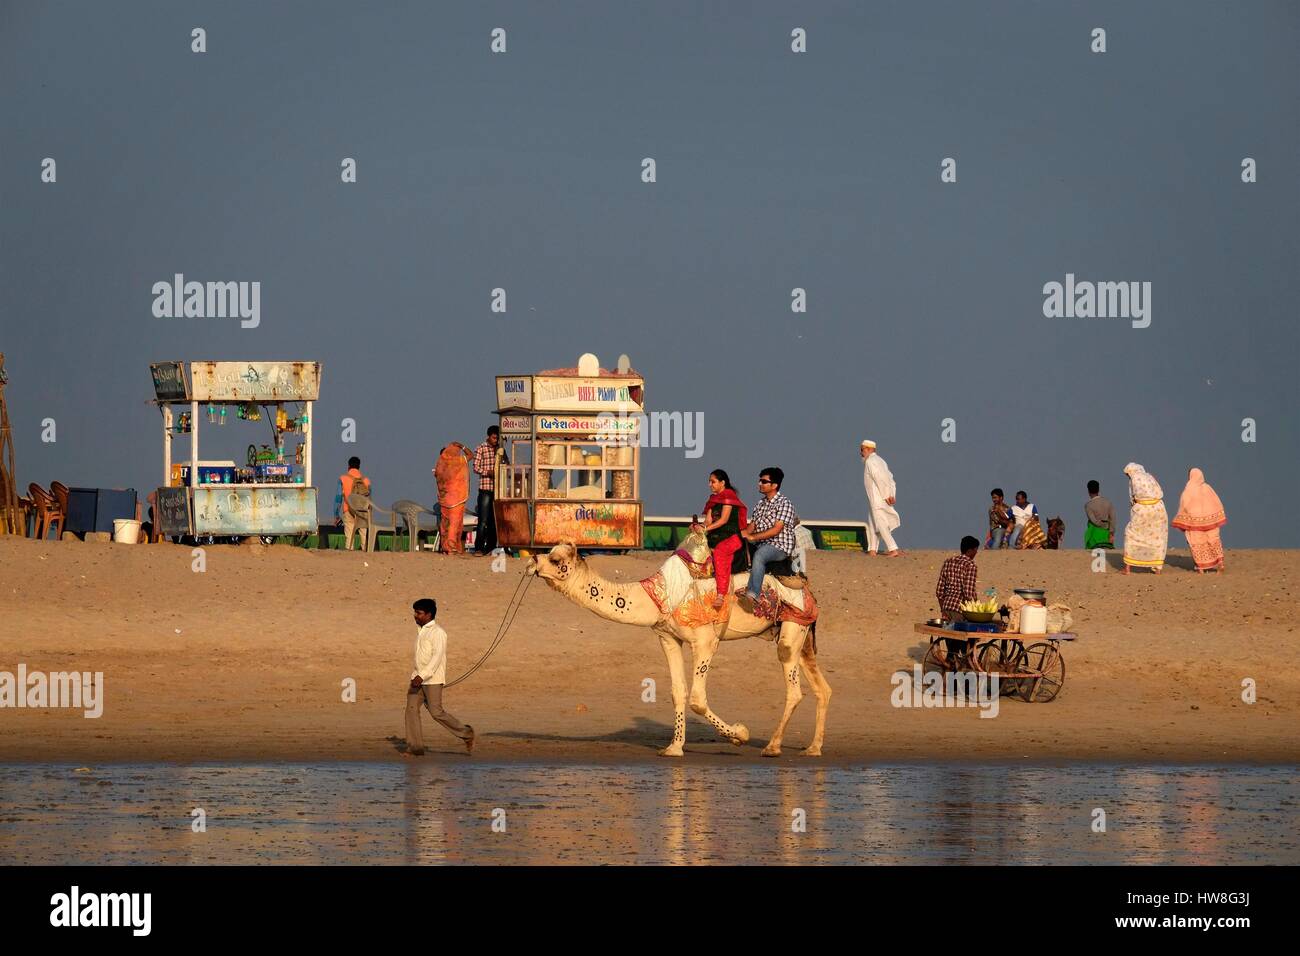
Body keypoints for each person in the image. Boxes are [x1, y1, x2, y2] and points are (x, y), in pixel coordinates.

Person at [404, 598, 475, 756]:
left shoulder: (438, 632)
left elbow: (436, 658)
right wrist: (417, 676)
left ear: (429, 614)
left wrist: (422, 676)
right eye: (415, 612)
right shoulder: (421, 631)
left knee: (436, 712)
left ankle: (466, 733)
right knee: (411, 710)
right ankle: (415, 748)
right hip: (417, 679)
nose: (415, 616)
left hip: (432, 680)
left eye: (419, 613)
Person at [737, 467, 799, 613]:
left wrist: (752, 537)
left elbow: (777, 529)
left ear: (774, 485)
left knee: (760, 555)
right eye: (760, 480)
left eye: (764, 481)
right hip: (761, 543)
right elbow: (752, 527)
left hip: (779, 545)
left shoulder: (784, 503)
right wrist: (739, 535)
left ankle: (753, 596)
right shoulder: (760, 504)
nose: (760, 483)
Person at [695, 469, 748, 610]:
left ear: (722, 482)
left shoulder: (729, 497)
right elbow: (708, 521)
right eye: (709, 482)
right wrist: (698, 526)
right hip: (715, 536)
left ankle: (721, 594)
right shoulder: (713, 499)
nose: (709, 485)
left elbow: (724, 520)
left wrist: (706, 529)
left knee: (719, 553)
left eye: (713, 482)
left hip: (731, 537)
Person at [1172, 467, 1227, 573]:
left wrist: (1183, 517)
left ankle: (1201, 568)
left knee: (1196, 542)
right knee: (1213, 540)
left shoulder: (1189, 488)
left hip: (1194, 522)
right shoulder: (1208, 488)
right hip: (1210, 522)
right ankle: (1220, 563)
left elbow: (1184, 504)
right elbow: (1216, 503)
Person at [1121, 463, 1168, 575]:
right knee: (1158, 538)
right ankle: (1158, 568)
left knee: (1131, 535)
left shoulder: (1134, 479)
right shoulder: (1150, 476)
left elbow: (1133, 498)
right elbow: (1158, 490)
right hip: (1158, 509)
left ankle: (1127, 568)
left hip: (1141, 510)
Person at [860, 440, 902, 556]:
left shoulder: (871, 462)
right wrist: (891, 494)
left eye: (862, 449)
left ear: (869, 449)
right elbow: (891, 479)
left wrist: (887, 495)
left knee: (880, 523)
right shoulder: (880, 461)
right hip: (878, 498)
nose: (861, 453)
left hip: (878, 498)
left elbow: (881, 478)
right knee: (873, 521)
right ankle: (873, 550)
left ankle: (893, 548)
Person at [472, 426, 507, 555]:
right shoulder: (481, 448)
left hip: (498, 490)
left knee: (494, 521)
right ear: (488, 436)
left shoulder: (500, 450)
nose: (495, 440)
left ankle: (491, 547)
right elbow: (475, 467)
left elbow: (506, 464)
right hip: (485, 489)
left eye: (497, 438)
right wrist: (488, 472)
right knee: (483, 520)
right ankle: (479, 548)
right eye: (494, 437)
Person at [434, 442, 472, 554]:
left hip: (444, 499)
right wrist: (462, 446)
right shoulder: (457, 462)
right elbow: (471, 455)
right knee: (455, 523)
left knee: (445, 523)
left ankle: (446, 547)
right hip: (457, 499)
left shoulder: (440, 465)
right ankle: (451, 547)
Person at [936, 535, 981, 622]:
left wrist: (943, 611)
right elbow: (968, 594)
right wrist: (978, 609)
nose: (976, 552)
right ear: (970, 550)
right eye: (976, 550)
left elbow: (939, 592)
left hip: (946, 608)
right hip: (960, 611)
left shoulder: (948, 562)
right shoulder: (970, 565)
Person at [334, 456, 371, 551]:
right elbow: (369, 499)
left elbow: (338, 498)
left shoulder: (342, 479)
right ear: (359, 466)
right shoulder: (366, 481)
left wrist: (336, 515)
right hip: (362, 511)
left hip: (348, 510)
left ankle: (350, 549)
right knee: (363, 532)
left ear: (349, 466)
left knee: (349, 534)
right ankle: (365, 549)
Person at [1084, 480, 1116, 549]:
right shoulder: (1108, 502)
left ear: (1088, 491)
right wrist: (1111, 532)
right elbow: (1113, 519)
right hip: (1107, 534)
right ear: (1098, 490)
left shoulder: (1088, 505)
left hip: (1094, 536)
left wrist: (1102, 524)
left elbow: (1094, 521)